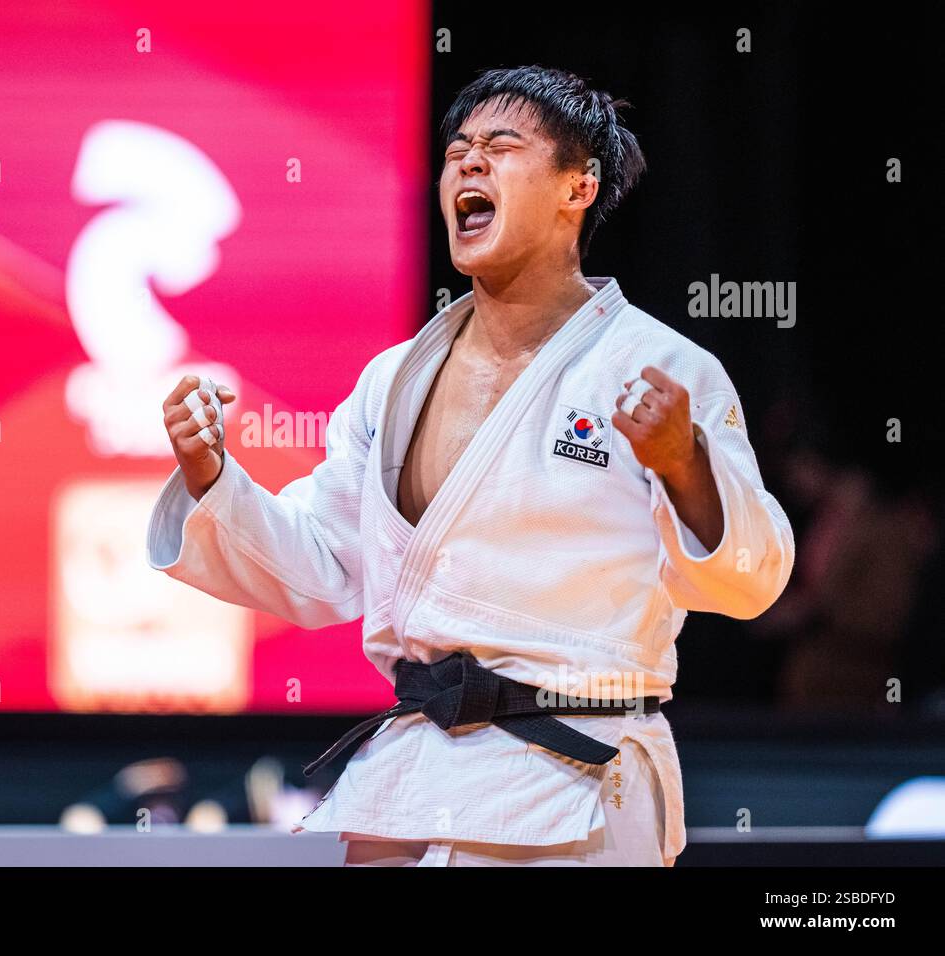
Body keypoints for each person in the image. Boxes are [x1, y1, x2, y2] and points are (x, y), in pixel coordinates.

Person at [146, 66, 794, 866]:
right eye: (457, 152)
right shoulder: (393, 379)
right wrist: (214, 476)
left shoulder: (657, 367)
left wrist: (685, 463)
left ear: (577, 188)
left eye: (500, 146)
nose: (468, 166)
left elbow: (751, 581)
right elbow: (321, 567)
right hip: (411, 772)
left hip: (570, 774)